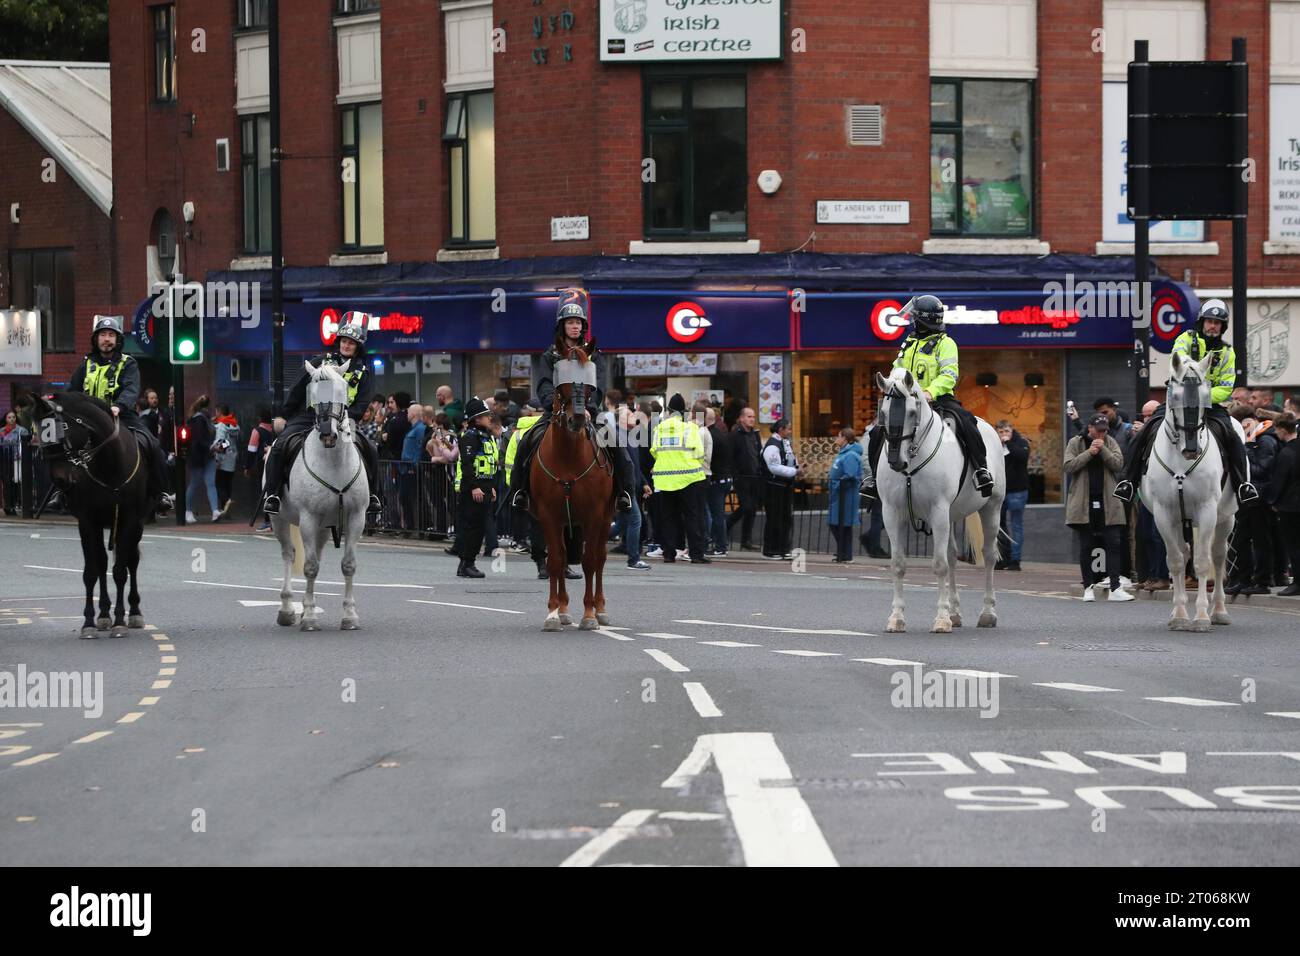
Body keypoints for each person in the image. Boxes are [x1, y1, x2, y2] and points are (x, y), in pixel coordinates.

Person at [1114, 299, 1259, 505]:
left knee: (1232, 436)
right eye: (1209, 321)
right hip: (1179, 400)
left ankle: (1243, 485)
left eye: (1217, 323)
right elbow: (1178, 365)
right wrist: (1190, 390)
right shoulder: (1185, 339)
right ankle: (1127, 481)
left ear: (1223, 327)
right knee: (1146, 431)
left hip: (1208, 404)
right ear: (1202, 322)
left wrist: (1201, 395)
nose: (1213, 326)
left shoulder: (1228, 353)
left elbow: (1226, 388)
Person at [508, 289, 635, 514]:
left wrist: (588, 408)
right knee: (526, 442)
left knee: (618, 446)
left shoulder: (595, 355)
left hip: (589, 413)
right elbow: (545, 384)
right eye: (570, 323)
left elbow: (598, 387)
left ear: (583, 326)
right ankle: (521, 493)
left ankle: (624, 494)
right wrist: (554, 406)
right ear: (562, 326)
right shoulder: (550, 355)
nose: (575, 326)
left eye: (578, 322)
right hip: (556, 412)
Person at [862, 295, 994, 501]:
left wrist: (930, 392)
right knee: (878, 430)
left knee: (967, 421)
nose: (912, 322)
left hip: (937, 398)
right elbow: (898, 369)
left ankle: (981, 470)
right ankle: (872, 479)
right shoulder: (909, 343)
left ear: (922, 320)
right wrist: (890, 384)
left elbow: (949, 375)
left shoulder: (946, 343)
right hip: (906, 400)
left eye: (915, 318)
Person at [260, 314, 383, 517]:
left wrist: (345, 418)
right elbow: (298, 389)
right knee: (280, 445)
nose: (346, 345)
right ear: (338, 342)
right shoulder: (320, 362)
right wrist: (283, 414)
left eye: (351, 343)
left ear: (357, 346)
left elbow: (362, 403)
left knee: (371, 448)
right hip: (309, 416)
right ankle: (272, 495)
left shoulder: (363, 372)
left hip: (345, 420)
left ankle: (373, 497)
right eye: (344, 341)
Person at [68, 315, 173, 513]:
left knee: (153, 444)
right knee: (63, 446)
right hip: (89, 419)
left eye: (110, 335)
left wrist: (119, 406)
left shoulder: (128, 363)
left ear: (117, 340)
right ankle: (62, 493)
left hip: (121, 415)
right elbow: (72, 390)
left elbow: (131, 389)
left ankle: (160, 494)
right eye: (102, 335)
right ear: (96, 339)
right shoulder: (85, 365)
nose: (106, 339)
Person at [1064, 415, 1133, 601]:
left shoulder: (1110, 442)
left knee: (1113, 543)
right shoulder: (1075, 442)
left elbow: (1118, 465)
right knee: (1086, 545)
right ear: (1090, 428)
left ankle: (1115, 588)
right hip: (1083, 503)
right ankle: (1088, 588)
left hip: (1108, 502)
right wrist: (1089, 453)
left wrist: (1103, 450)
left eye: (1105, 430)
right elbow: (1069, 466)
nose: (1102, 433)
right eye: (1099, 430)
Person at [650, 393, 709, 563]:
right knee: (692, 517)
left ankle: (669, 554)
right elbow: (699, 453)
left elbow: (654, 451)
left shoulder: (658, 428)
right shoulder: (690, 428)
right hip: (689, 479)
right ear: (684, 411)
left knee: (668, 518)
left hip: (664, 479)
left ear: (668, 411)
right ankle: (696, 555)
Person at [1227, 406, 1279, 595]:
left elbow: (1263, 469)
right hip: (1246, 496)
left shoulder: (1265, 440)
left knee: (1260, 541)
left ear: (1247, 423)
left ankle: (1263, 580)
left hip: (1260, 497)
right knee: (1241, 540)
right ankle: (1243, 578)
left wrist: (1246, 449)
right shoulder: (1253, 440)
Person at [454, 397, 498, 578]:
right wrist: (474, 487)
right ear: (477, 418)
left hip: (484, 487)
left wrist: (491, 487)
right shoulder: (470, 437)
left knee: (479, 528)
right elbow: (467, 464)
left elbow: (488, 463)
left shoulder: (485, 436)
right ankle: (466, 563)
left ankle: (468, 562)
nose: (490, 418)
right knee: (472, 527)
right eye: (486, 415)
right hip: (473, 490)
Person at [1130, 400, 1170, 591]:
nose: (1146, 418)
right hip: (1145, 490)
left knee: (1157, 535)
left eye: (1150, 414)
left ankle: (1161, 575)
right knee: (1144, 534)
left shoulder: (1163, 428)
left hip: (1163, 492)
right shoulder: (1147, 431)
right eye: (1144, 415)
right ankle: (1149, 575)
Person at [1267, 413, 1300, 595]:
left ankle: (1298, 583)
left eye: (1276, 430)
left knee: (1293, 545)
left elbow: (1279, 481)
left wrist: (1272, 501)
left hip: (1290, 505)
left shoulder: (1286, 453)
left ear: (1281, 429)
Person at [762, 418, 802, 559]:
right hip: (774, 487)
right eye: (789, 429)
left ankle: (783, 548)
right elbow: (774, 467)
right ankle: (771, 550)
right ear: (781, 430)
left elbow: (791, 458)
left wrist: (797, 466)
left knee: (785, 518)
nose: (790, 431)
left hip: (784, 487)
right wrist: (794, 472)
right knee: (775, 519)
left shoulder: (784, 443)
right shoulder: (773, 446)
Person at [995, 420, 1030, 571]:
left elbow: (1022, 457)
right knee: (998, 525)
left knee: (1016, 525)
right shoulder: (994, 445)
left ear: (1012, 431)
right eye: (1001, 432)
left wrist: (1008, 443)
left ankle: (1016, 560)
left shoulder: (1021, 441)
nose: (1004, 435)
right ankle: (1003, 558)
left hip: (1017, 491)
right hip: (1000, 491)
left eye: (1006, 431)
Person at [727, 406, 763, 550]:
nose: (752, 419)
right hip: (741, 477)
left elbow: (758, 453)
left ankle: (746, 540)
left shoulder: (755, 435)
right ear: (741, 418)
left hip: (755, 477)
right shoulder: (735, 435)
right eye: (749, 416)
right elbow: (730, 457)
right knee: (746, 507)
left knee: (752, 508)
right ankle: (725, 527)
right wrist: (734, 475)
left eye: (753, 417)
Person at [827, 426, 863, 563]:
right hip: (839, 496)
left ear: (845, 439)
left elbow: (850, 475)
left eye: (839, 436)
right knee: (837, 523)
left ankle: (846, 554)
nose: (837, 438)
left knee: (842, 524)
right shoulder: (844, 453)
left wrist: (836, 484)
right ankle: (843, 552)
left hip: (846, 495)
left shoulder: (851, 455)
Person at [184, 396, 220, 523]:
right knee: (197, 484)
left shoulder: (200, 419)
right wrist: (212, 446)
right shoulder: (200, 420)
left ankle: (214, 510)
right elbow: (199, 440)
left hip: (203, 455)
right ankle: (188, 511)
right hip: (199, 456)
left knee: (204, 484)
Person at [704, 406, 733, 556]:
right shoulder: (721, 433)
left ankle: (720, 546)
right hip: (725, 478)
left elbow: (708, 459)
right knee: (717, 513)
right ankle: (718, 543)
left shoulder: (710, 435)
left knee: (716, 514)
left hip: (716, 479)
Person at [244, 406, 275, 531]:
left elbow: (251, 451)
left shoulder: (257, 431)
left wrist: (247, 467)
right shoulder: (275, 430)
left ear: (259, 418)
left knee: (264, 491)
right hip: (274, 462)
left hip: (261, 464)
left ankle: (267, 521)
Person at [399, 404, 427, 536]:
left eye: (409, 412)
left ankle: (420, 526)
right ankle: (409, 526)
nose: (406, 414)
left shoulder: (420, 429)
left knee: (414, 498)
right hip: (405, 468)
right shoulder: (413, 429)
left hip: (411, 468)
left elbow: (419, 447)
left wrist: (414, 465)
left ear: (414, 414)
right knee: (405, 498)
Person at [211, 404, 240, 519]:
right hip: (232, 458)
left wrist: (218, 460)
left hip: (223, 459)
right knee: (227, 484)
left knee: (218, 484)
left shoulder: (221, 425)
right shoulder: (234, 425)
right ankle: (225, 510)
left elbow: (220, 443)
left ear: (219, 412)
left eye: (216, 412)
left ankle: (225, 501)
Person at [1, 410, 30, 515]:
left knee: (17, 483)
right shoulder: (2, 431)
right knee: (7, 483)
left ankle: (18, 504)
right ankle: (8, 506)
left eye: (13, 417)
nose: (12, 419)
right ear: (6, 419)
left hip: (18, 460)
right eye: (9, 417)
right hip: (5, 460)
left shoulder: (22, 430)